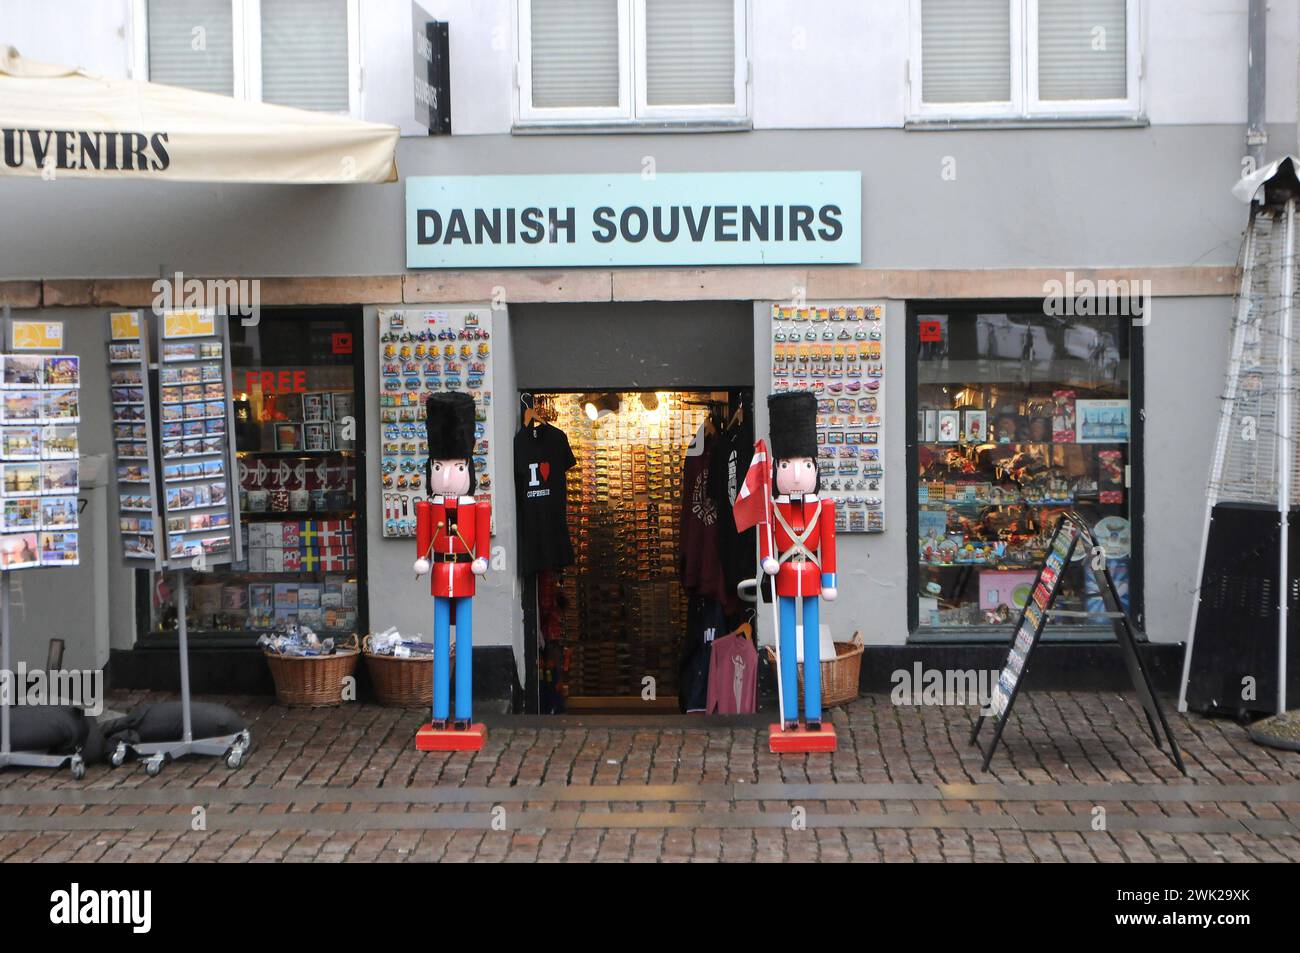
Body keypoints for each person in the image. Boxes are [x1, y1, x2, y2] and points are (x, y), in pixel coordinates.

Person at [412, 392, 490, 731]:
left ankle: (465, 713)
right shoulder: (428, 507)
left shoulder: (477, 506)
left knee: (466, 646)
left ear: (469, 468)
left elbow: (481, 540)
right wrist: (422, 559)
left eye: (456, 467)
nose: (445, 477)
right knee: (441, 645)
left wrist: (482, 559)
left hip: (464, 572)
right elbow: (424, 539)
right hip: (440, 570)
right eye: (438, 468)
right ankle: (440, 712)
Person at [761, 392, 837, 731]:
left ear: (815, 468)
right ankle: (790, 713)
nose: (794, 475)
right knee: (787, 647)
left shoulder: (824, 508)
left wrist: (830, 581)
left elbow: (829, 547)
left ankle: (814, 714)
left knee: (810, 647)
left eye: (804, 465)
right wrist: (768, 560)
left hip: (811, 578)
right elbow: (766, 539)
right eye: (786, 465)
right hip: (786, 578)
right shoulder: (771, 507)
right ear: (777, 467)